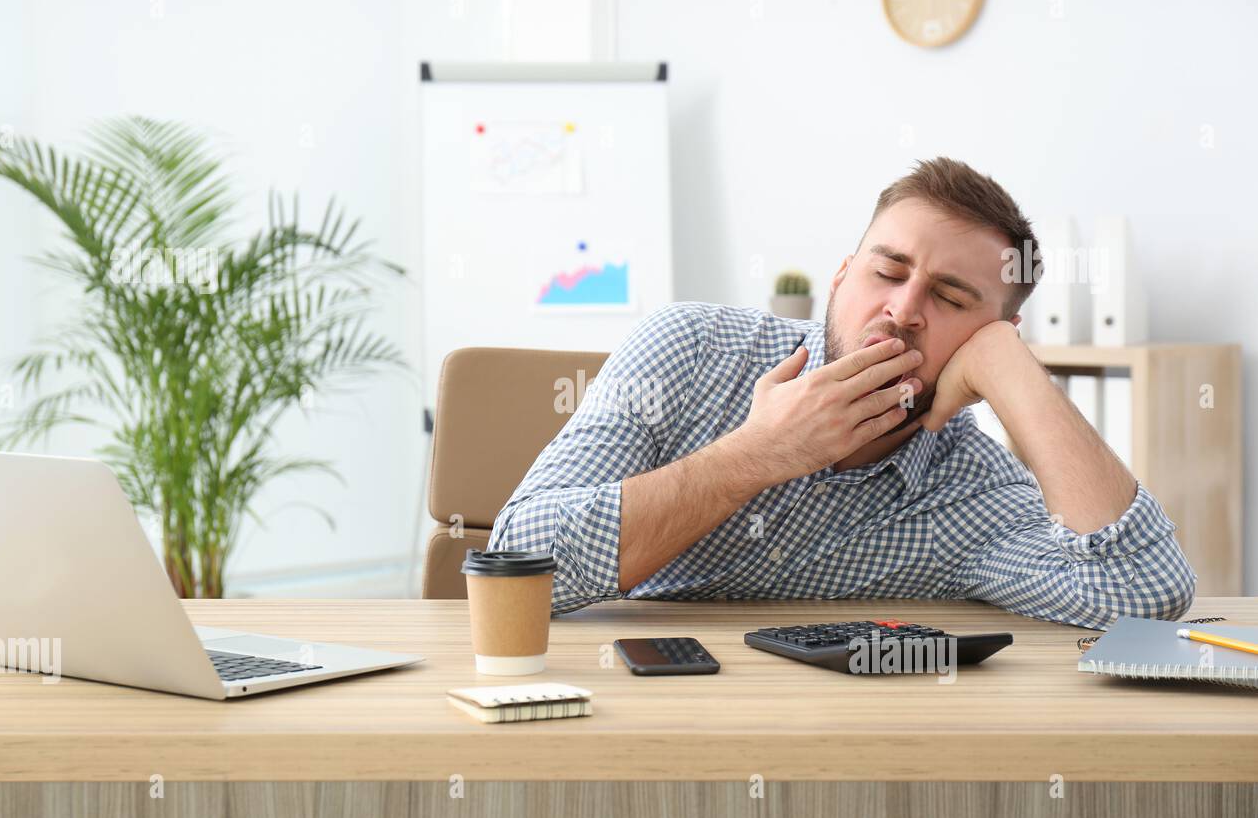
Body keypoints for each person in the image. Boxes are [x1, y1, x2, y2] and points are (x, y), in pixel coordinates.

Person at [488, 157, 1195, 629]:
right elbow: (516, 564)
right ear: (841, 275)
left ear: (995, 336)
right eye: (888, 273)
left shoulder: (971, 498)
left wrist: (1014, 373)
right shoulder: (688, 350)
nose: (905, 309)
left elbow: (1143, 592)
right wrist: (756, 455)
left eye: (950, 298)